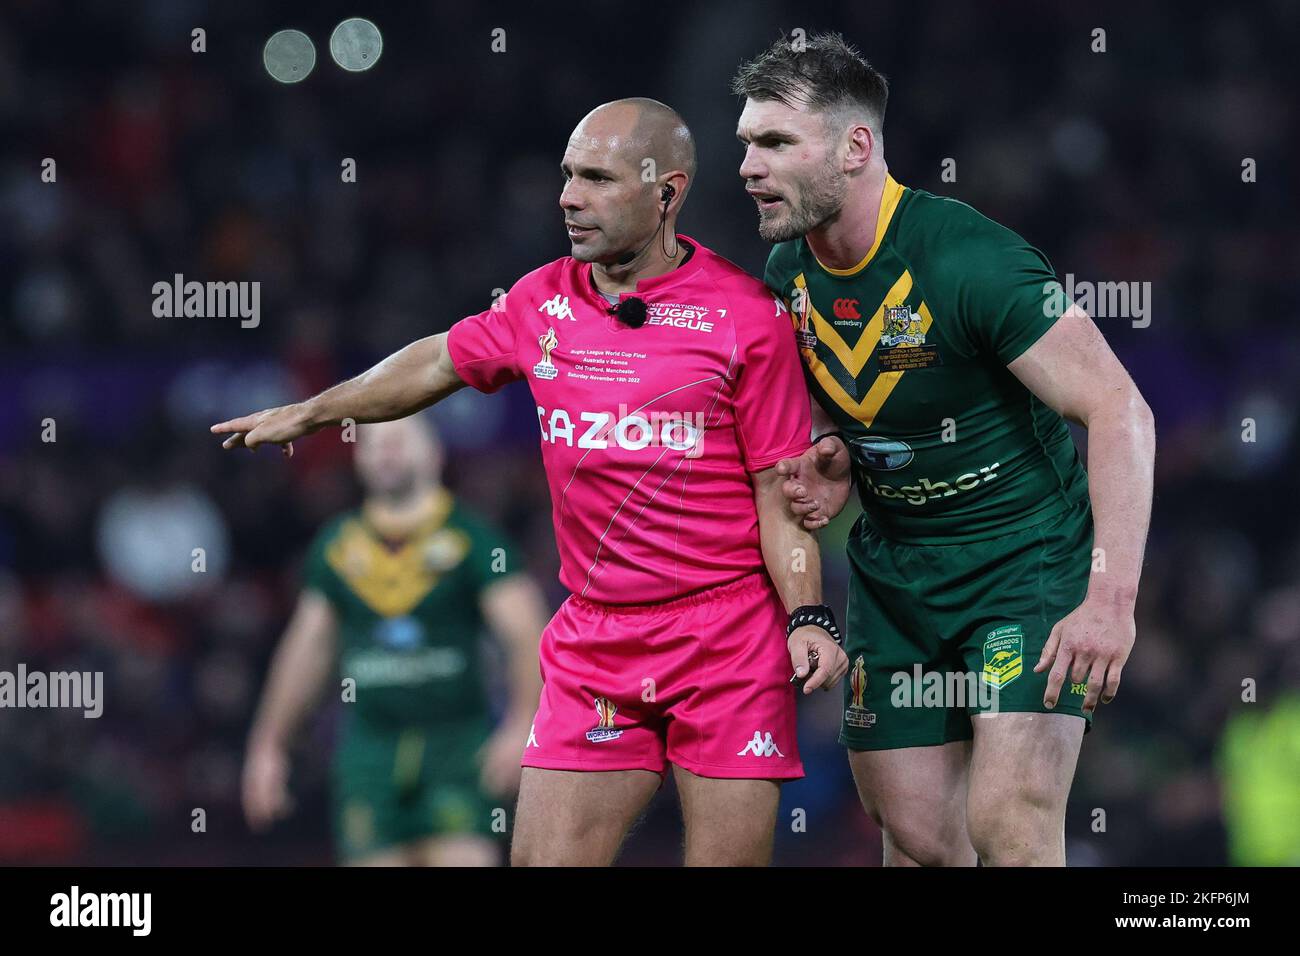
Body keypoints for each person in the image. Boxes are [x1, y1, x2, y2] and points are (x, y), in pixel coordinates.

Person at [215, 97, 848, 866]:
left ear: (667, 192)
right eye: (567, 176)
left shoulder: (748, 317)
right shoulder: (540, 300)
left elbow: (777, 497)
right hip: (596, 638)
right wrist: (316, 411)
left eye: (597, 179)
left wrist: (808, 616)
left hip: (725, 638)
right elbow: (436, 361)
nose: (568, 198)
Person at [732, 33, 1156, 865]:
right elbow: (844, 394)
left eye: (776, 142)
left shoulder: (973, 259)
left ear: (856, 147)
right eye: (746, 142)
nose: (748, 165)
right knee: (920, 835)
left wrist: (1110, 597)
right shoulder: (788, 273)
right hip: (896, 572)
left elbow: (1120, 410)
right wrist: (831, 449)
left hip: (1026, 564)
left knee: (1010, 822)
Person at [241, 416, 549, 865]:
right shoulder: (337, 548)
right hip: (368, 755)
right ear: (358, 458)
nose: (385, 451)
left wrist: (523, 724)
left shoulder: (473, 540)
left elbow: (527, 634)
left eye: (399, 441)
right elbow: (304, 653)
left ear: (434, 454)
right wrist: (268, 745)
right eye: (373, 443)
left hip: (459, 751)